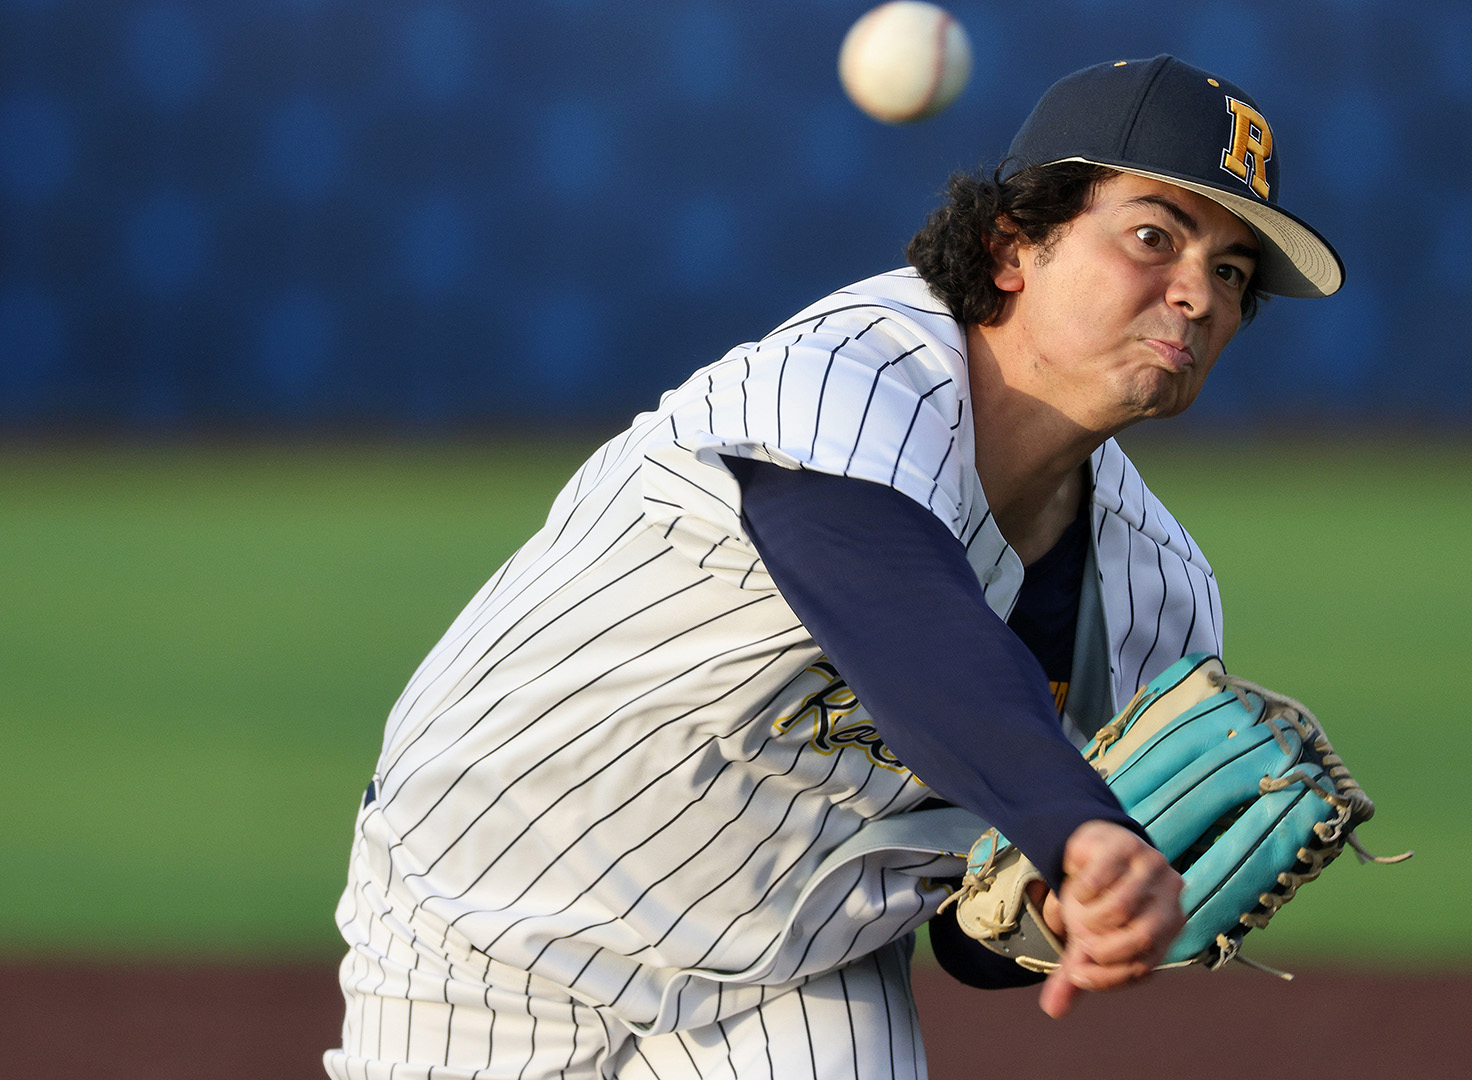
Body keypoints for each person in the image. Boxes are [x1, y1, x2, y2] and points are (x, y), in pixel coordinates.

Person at [325, 53, 1342, 1080]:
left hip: (790, 969)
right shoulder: (851, 371)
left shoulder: (1157, 597)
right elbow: (895, 605)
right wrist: (1076, 821)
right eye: (1153, 236)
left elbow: (965, 920)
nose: (1196, 295)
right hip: (486, 906)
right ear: (1011, 247)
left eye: (1230, 271)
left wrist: (1060, 902)